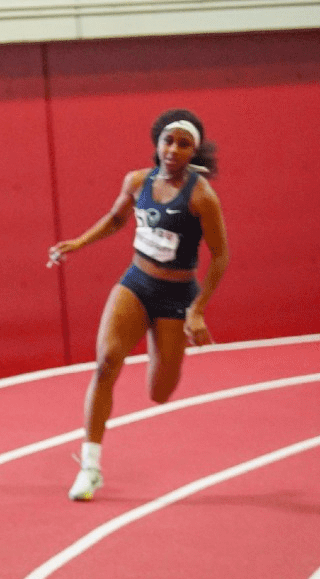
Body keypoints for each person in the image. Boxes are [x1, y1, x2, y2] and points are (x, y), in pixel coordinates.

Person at [47, 109, 229, 501]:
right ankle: (91, 466)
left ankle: (159, 343)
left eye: (184, 144)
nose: (173, 150)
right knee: (106, 361)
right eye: (168, 141)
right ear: (157, 143)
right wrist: (78, 243)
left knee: (159, 393)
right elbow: (116, 220)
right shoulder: (136, 181)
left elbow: (220, 255)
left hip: (176, 297)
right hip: (136, 283)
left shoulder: (201, 196)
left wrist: (197, 310)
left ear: (193, 151)